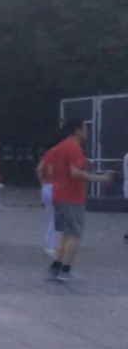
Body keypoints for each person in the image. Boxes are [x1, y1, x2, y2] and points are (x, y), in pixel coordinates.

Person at [46, 119, 112, 281]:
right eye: (85, 128)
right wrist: (99, 178)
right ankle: (66, 269)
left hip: (59, 194)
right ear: (77, 130)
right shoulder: (73, 148)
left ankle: (56, 263)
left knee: (65, 233)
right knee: (75, 234)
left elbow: (53, 170)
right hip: (72, 197)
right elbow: (74, 173)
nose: (87, 131)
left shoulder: (59, 147)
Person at [36, 146, 57, 257]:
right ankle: (51, 244)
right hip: (56, 187)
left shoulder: (48, 155)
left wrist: (42, 182)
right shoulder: (61, 156)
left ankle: (50, 243)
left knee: (51, 217)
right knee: (55, 218)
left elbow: (39, 169)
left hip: (46, 186)